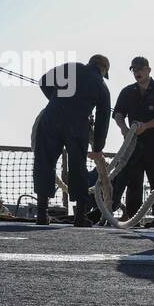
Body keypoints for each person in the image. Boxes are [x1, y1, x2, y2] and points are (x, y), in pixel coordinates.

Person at [32, 55, 112, 226]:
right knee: (78, 168)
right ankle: (80, 216)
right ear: (104, 69)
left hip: (50, 119)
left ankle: (41, 213)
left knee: (44, 163)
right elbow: (103, 118)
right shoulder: (101, 86)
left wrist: (57, 101)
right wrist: (98, 147)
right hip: (77, 126)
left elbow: (44, 81)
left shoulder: (70, 68)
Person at [112, 56, 154, 226]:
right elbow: (118, 113)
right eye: (134, 69)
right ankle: (133, 218)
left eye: (140, 69)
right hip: (134, 145)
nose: (137, 72)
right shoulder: (127, 92)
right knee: (133, 182)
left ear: (148, 70)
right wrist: (124, 128)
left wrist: (145, 126)